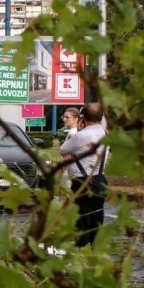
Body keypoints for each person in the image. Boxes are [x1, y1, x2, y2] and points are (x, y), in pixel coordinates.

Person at [60, 102, 108, 247]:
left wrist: (80, 128)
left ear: (83, 117)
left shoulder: (81, 136)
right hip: (100, 180)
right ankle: (96, 247)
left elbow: (63, 149)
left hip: (83, 181)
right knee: (97, 216)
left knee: (82, 218)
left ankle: (81, 250)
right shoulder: (105, 133)